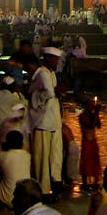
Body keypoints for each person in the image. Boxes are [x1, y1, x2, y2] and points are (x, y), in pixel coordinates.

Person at [27, 48, 63, 201]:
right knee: (42, 158)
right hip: (43, 122)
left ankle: (55, 184)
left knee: (54, 155)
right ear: (47, 58)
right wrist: (55, 92)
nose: (56, 62)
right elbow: (48, 93)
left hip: (53, 121)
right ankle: (43, 190)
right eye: (54, 59)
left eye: (57, 60)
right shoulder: (42, 73)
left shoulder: (51, 74)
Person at [0, 129, 32, 209]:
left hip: (8, 200)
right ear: (22, 143)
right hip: (25, 201)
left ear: (7, 143)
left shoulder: (3, 156)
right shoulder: (27, 156)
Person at [78, 95, 102, 190]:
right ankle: (85, 183)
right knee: (86, 162)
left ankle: (95, 182)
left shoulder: (93, 115)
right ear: (86, 106)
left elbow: (98, 126)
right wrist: (96, 113)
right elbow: (90, 126)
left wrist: (97, 114)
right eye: (90, 105)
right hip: (87, 141)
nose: (91, 107)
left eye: (92, 105)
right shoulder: (82, 116)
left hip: (93, 141)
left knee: (94, 161)